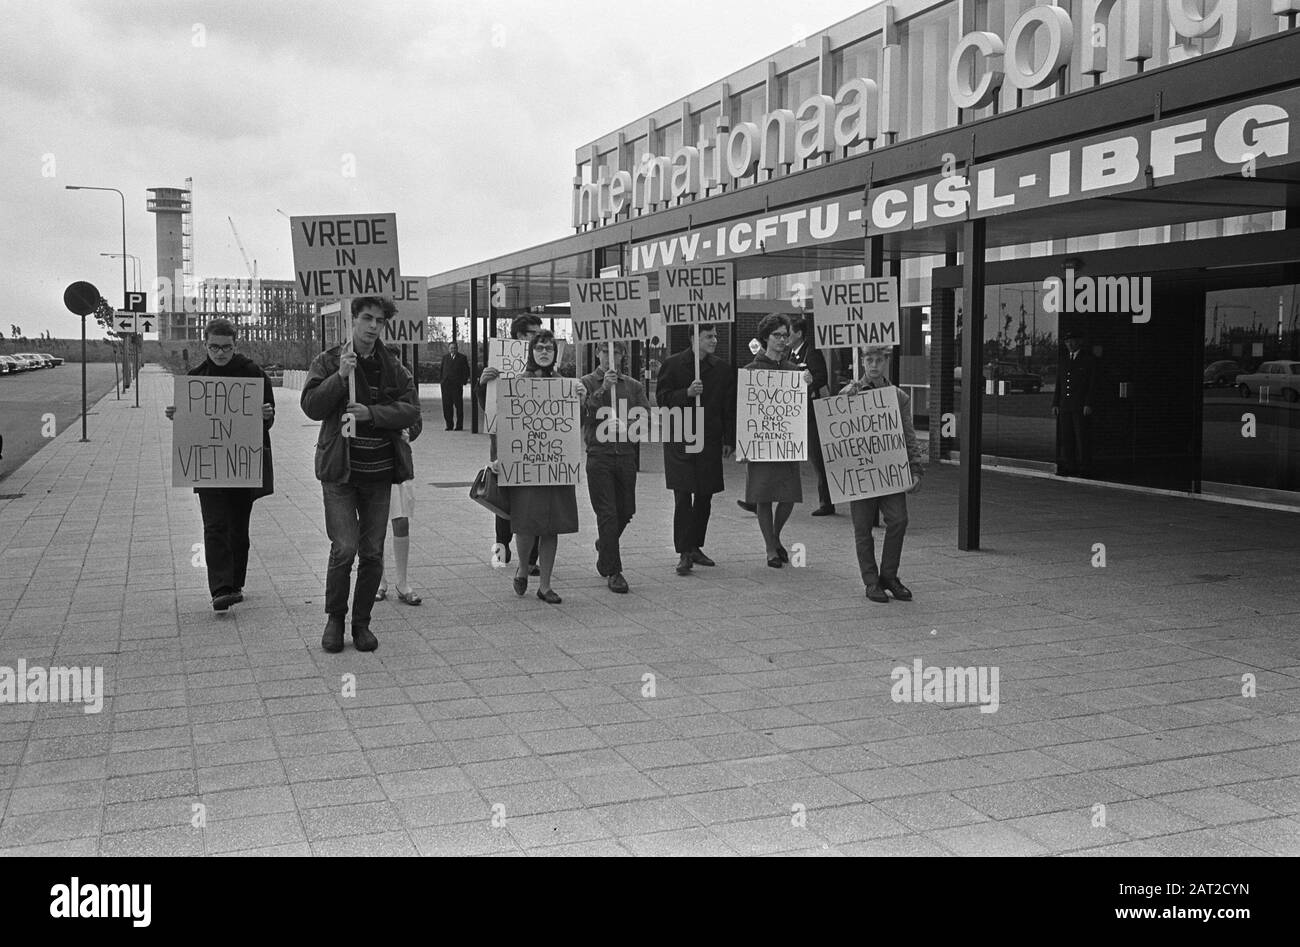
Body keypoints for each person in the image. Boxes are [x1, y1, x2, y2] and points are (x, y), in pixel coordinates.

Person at [301, 297, 420, 653]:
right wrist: (340, 377)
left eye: (379, 321)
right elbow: (311, 406)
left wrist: (371, 413)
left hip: (378, 473)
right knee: (345, 547)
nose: (372, 326)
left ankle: (361, 622)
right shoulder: (328, 360)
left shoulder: (393, 366)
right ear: (352, 320)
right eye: (366, 318)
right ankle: (335, 618)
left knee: (371, 551)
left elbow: (411, 411)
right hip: (339, 471)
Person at [164, 318, 275, 612]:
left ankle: (235, 582)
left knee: (238, 528)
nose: (221, 353)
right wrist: (178, 414)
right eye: (214, 346)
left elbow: (269, 418)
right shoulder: (196, 377)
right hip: (209, 466)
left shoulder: (252, 373)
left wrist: (266, 414)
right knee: (214, 526)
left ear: (235, 345)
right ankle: (220, 589)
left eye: (226, 347)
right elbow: (190, 423)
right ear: (205, 344)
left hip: (241, 464)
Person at [493, 330, 586, 603]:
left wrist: (580, 400)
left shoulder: (566, 385)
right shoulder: (518, 384)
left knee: (552, 527)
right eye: (539, 347)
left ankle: (545, 585)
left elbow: (573, 425)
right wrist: (503, 456)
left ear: (554, 353)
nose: (544, 352)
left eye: (548, 348)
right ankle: (523, 566)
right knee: (525, 525)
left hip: (555, 467)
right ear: (531, 352)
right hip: (527, 467)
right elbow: (505, 424)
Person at [838, 345, 924, 602]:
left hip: (889, 470)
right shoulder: (850, 392)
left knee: (898, 520)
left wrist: (916, 467)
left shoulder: (898, 396)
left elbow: (908, 433)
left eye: (879, 360)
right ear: (862, 362)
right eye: (869, 360)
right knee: (862, 527)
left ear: (886, 362)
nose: (874, 365)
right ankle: (871, 581)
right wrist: (844, 398)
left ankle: (889, 575)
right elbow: (837, 430)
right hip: (862, 469)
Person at [657, 323, 736, 576]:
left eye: (715, 336)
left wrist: (729, 439)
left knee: (705, 495)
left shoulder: (722, 369)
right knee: (683, 495)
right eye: (708, 336)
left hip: (709, 439)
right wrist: (687, 393)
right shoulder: (672, 365)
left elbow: (728, 407)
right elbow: (663, 399)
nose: (714, 340)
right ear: (694, 338)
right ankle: (683, 552)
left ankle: (695, 545)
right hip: (681, 437)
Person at [740, 313, 813, 568]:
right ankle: (770, 547)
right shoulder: (751, 371)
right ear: (765, 338)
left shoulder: (795, 371)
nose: (783, 340)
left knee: (788, 495)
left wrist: (806, 386)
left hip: (786, 443)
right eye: (777, 335)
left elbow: (799, 408)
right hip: (762, 444)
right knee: (763, 496)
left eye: (785, 335)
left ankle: (776, 535)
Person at [580, 340, 649, 593]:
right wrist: (602, 390)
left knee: (625, 510)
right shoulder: (586, 383)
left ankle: (605, 545)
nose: (611, 356)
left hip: (626, 455)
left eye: (616, 352)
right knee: (607, 513)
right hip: (599, 455)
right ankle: (614, 570)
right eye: (606, 351)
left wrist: (632, 424)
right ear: (598, 353)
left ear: (623, 356)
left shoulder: (633, 386)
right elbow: (582, 415)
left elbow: (646, 416)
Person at [479, 315, 542, 573]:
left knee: (535, 501)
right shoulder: (499, 365)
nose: (537, 337)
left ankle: (531, 559)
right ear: (518, 336)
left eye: (540, 332)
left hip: (536, 444)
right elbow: (488, 405)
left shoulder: (545, 367)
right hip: (505, 443)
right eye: (531, 333)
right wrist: (483, 384)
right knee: (502, 500)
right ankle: (500, 551)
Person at [376, 415, 425, 606]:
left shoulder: (404, 384)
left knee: (401, 520)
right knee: (374, 524)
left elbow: (415, 416)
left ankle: (402, 583)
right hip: (370, 460)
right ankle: (379, 581)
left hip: (398, 461)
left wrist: (407, 432)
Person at [789, 314, 834, 516]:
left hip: (811, 414)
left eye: (787, 333)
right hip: (793, 413)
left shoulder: (811, 353)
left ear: (798, 333)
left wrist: (809, 382)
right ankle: (759, 500)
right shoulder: (789, 354)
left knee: (818, 458)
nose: (784, 337)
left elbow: (822, 377)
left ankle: (827, 502)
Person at [1052, 328, 1098, 477]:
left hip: (1080, 405)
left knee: (1082, 437)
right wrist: (1055, 403)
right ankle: (1069, 465)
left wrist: (1088, 403)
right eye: (1067, 342)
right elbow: (1060, 383)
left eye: (1072, 341)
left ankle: (1085, 467)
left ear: (1079, 342)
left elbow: (1092, 383)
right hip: (1065, 404)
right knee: (1067, 437)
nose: (1069, 344)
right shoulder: (1064, 360)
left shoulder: (1088, 359)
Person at [439, 341, 470, 430]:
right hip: (446, 386)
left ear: (457, 348)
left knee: (458, 406)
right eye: (451, 348)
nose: (453, 349)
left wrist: (463, 382)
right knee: (447, 406)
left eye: (454, 348)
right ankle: (449, 425)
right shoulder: (445, 358)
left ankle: (459, 425)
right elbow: (441, 370)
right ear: (449, 349)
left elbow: (466, 371)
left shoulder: (462, 358)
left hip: (456, 386)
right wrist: (441, 381)